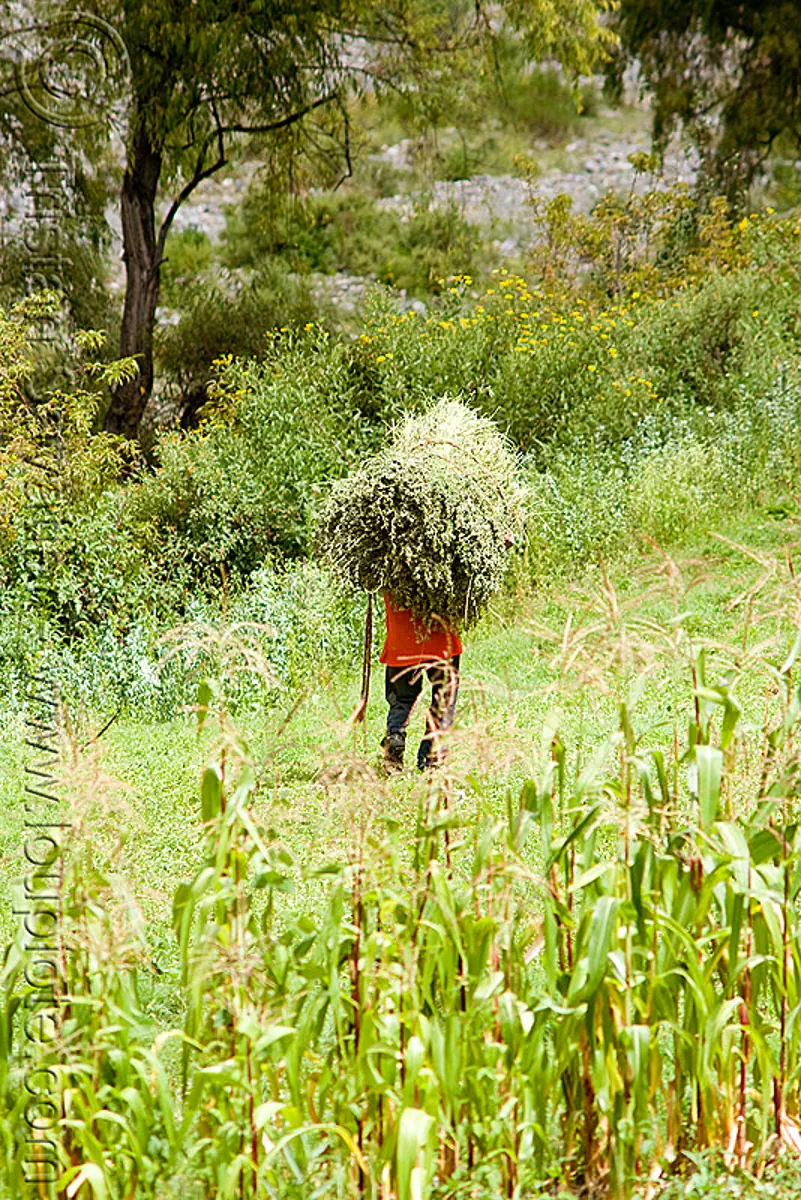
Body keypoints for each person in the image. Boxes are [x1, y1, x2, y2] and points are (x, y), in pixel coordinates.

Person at [379, 591, 462, 773]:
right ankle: (433, 756)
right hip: (442, 636)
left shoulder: (388, 564)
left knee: (401, 699)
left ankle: (395, 741)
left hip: (403, 637)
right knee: (444, 696)